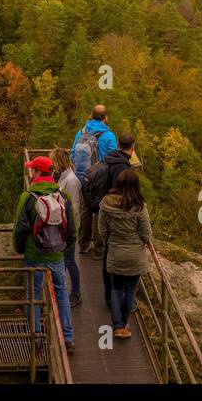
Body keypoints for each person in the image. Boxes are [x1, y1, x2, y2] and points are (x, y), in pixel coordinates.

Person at [13, 155, 75, 353]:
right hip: (57, 254)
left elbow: (20, 229)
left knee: (34, 294)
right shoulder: (63, 195)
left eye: (32, 169)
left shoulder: (27, 197)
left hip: (35, 254)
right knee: (61, 292)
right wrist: (65, 248)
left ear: (38, 173)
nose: (31, 172)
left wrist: (20, 249)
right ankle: (67, 337)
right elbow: (72, 228)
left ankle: (37, 338)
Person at [96, 168, 152, 339]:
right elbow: (146, 233)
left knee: (116, 288)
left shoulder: (106, 203)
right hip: (135, 255)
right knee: (130, 290)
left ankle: (117, 325)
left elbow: (102, 230)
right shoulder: (139, 206)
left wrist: (111, 241)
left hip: (115, 252)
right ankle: (124, 325)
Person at [82, 132, 139, 298]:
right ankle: (114, 296)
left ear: (118, 145)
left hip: (103, 206)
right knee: (111, 257)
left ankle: (110, 294)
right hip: (113, 214)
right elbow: (121, 194)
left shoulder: (110, 158)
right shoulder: (122, 167)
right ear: (132, 147)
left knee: (109, 257)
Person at [71, 105, 117, 254]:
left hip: (83, 177)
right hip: (101, 179)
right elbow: (113, 159)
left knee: (85, 209)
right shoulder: (109, 136)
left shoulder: (81, 132)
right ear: (105, 118)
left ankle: (83, 245)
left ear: (91, 115)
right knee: (99, 211)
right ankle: (98, 248)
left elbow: (73, 155)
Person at [51, 146, 82, 307]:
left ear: (59, 162)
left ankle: (76, 293)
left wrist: (71, 232)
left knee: (69, 260)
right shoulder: (56, 176)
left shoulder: (71, 181)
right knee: (62, 260)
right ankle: (60, 291)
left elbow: (74, 208)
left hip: (67, 227)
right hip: (58, 225)